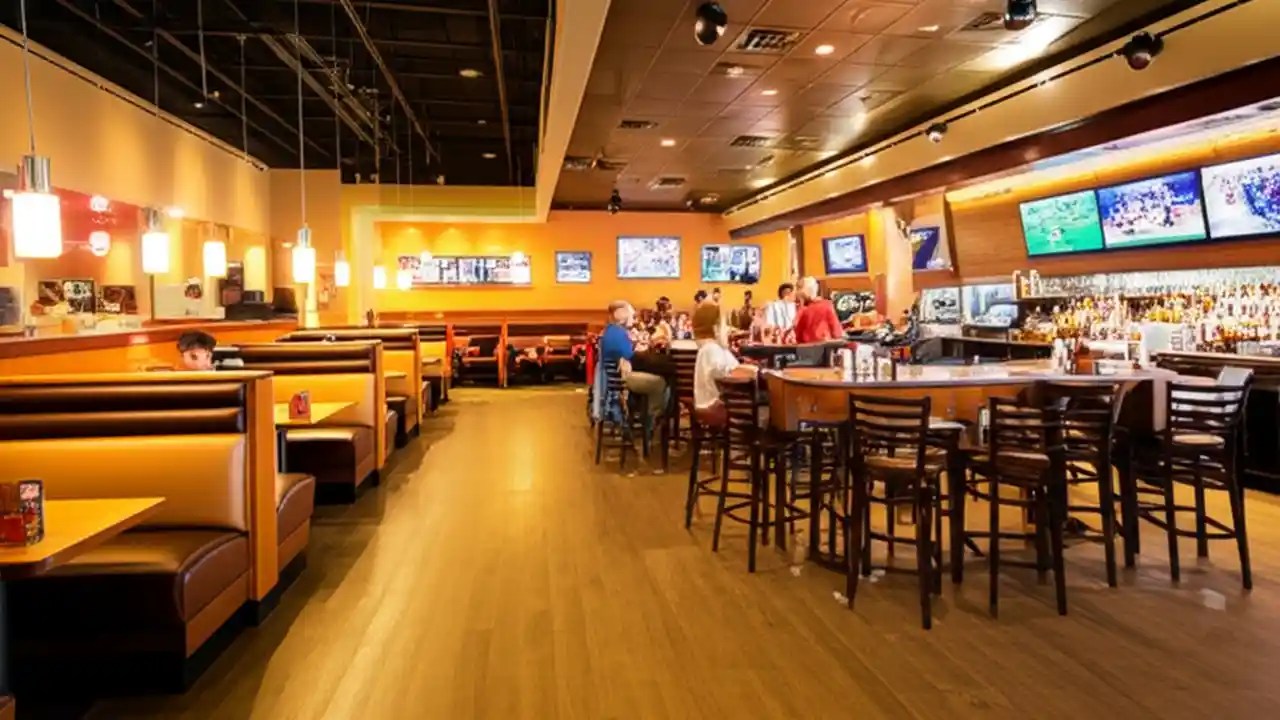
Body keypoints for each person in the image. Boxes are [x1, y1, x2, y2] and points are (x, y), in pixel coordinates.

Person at [691, 303, 755, 427]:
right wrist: (755, 372)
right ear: (715, 328)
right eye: (725, 325)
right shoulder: (711, 349)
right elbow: (726, 375)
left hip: (720, 403)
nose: (729, 329)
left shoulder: (713, 348)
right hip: (719, 405)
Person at [600, 301, 666, 419]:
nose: (634, 319)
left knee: (659, 373)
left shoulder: (612, 331)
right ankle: (652, 418)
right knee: (660, 382)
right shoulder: (618, 333)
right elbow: (633, 358)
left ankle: (645, 413)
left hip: (617, 376)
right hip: (622, 380)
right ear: (621, 316)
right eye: (632, 316)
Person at [793, 276, 843, 343]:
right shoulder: (827, 306)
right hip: (825, 349)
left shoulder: (802, 310)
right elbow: (837, 333)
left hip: (804, 350)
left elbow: (798, 337)